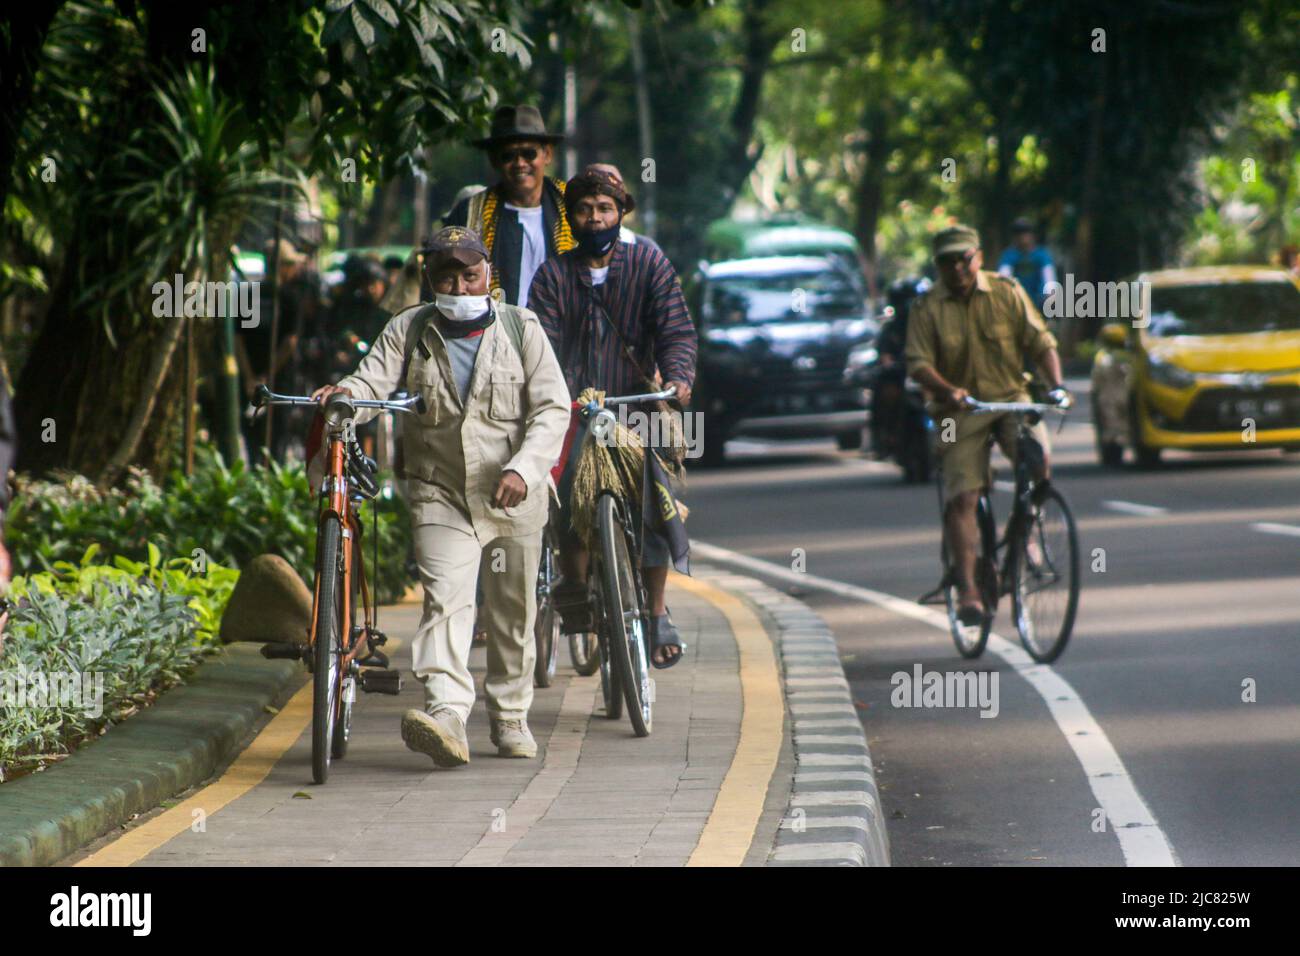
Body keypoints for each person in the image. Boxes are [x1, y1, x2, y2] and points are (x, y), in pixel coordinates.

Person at [312, 226, 570, 767]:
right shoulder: (409, 327)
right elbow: (370, 384)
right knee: (445, 599)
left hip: (512, 496)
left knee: (511, 613)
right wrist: (343, 399)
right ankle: (447, 714)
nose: (459, 284)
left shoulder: (522, 329)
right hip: (439, 490)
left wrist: (524, 468)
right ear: (429, 279)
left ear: (488, 276)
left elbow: (553, 409)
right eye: (446, 275)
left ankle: (509, 715)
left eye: (469, 273)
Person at [527, 168, 698, 668]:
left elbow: (676, 329)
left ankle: (658, 612)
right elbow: (539, 348)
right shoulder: (553, 275)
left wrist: (680, 376)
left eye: (605, 209)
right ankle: (576, 585)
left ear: (620, 211)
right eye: (584, 210)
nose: (595, 218)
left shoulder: (648, 262)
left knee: (654, 494)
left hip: (636, 405)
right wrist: (556, 398)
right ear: (571, 217)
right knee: (562, 490)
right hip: (573, 406)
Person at [905, 225, 1068, 624]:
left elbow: (1041, 342)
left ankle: (1023, 538)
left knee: (1038, 464)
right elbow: (918, 363)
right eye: (948, 261)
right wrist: (948, 390)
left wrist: (1057, 387)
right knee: (963, 496)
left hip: (1011, 400)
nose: (957, 268)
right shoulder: (926, 308)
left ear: (978, 257)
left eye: (964, 258)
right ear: (938, 265)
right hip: (958, 412)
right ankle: (969, 591)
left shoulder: (1007, 292)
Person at [443, 106, 572, 308]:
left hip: (560, 330)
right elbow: (444, 276)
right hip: (489, 331)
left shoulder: (573, 206)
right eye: (508, 156)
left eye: (529, 154)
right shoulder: (469, 213)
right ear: (494, 160)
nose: (520, 163)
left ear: (547, 155)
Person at [585, 162, 663, 256]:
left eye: (605, 208)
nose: (595, 217)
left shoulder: (645, 249)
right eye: (586, 208)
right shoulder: (567, 248)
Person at [997, 218, 1056, 315]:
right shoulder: (1009, 255)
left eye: (1025, 232)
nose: (1022, 236)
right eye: (1018, 233)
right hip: (1015, 306)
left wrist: (1049, 297)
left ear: (1032, 235)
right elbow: (1004, 277)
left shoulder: (1042, 255)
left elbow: (1049, 279)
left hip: (1039, 305)